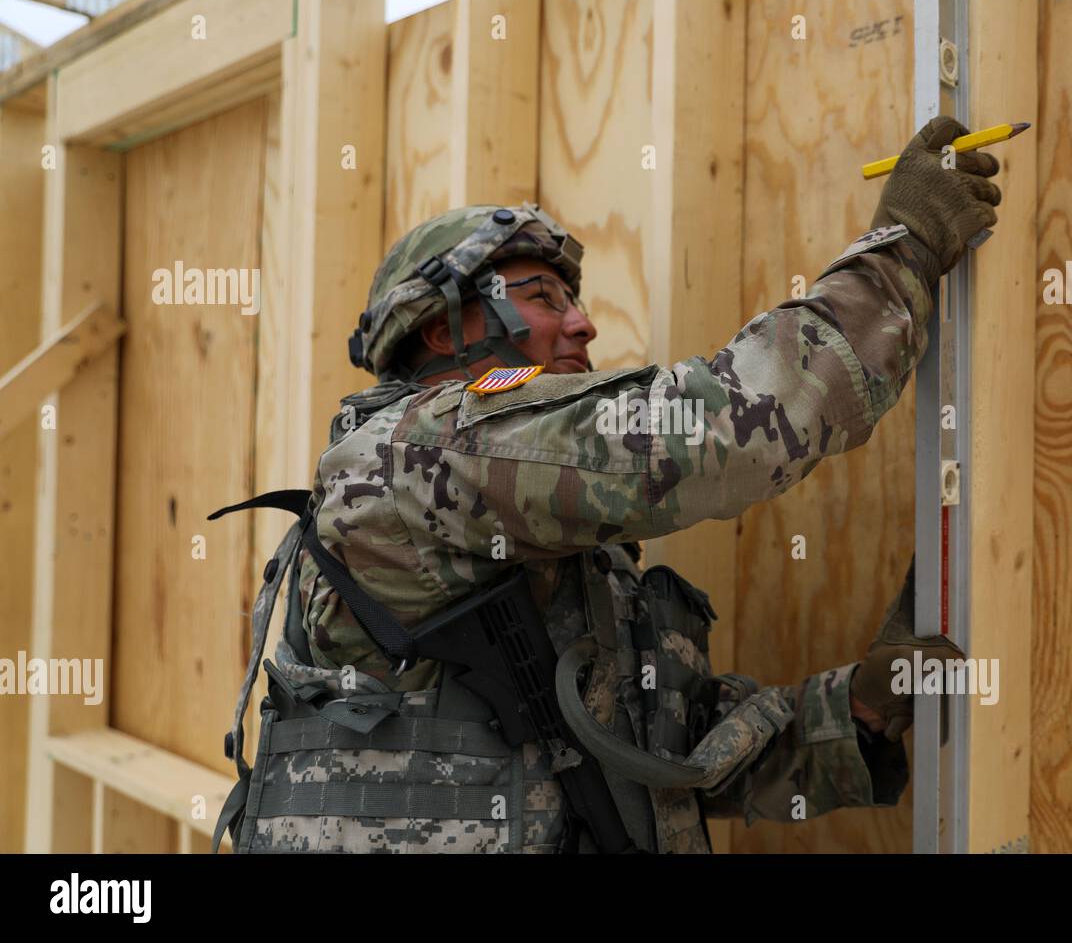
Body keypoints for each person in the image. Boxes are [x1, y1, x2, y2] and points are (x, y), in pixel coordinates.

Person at [212, 116, 1000, 854]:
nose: (582, 322)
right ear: (442, 328)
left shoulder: (550, 539)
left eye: (576, 300)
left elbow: (662, 761)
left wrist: (853, 713)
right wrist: (904, 248)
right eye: (540, 298)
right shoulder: (414, 454)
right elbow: (727, 434)